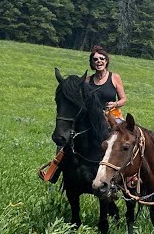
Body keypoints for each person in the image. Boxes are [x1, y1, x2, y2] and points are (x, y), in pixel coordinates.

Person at [39, 45, 126, 183]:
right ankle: (55, 171)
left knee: (124, 139)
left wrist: (115, 104)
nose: (99, 61)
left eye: (102, 58)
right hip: (93, 117)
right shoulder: (86, 80)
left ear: (106, 61)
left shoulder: (114, 77)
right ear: (92, 63)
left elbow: (123, 99)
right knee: (68, 137)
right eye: (95, 59)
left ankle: (127, 176)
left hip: (111, 115)